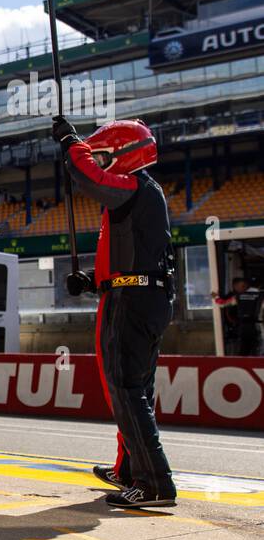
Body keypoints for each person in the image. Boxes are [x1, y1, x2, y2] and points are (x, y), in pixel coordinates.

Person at [54, 116, 176, 509]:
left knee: (126, 388)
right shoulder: (139, 194)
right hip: (133, 294)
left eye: (105, 154)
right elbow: (132, 259)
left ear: (125, 154)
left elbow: (89, 177)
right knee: (130, 390)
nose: (101, 162)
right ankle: (129, 469)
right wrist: (92, 281)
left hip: (134, 301)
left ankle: (154, 483)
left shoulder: (135, 186)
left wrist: (73, 145)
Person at [213, 277, 261, 356]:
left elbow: (222, 303)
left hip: (245, 326)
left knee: (244, 350)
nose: (235, 289)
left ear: (242, 285)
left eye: (236, 287)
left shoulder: (238, 296)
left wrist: (215, 296)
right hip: (259, 326)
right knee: (257, 350)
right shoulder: (259, 294)